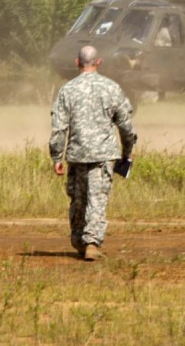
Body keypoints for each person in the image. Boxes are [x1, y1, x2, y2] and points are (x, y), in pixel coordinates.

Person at [48, 44, 138, 261]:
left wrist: (56, 157)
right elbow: (126, 127)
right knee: (97, 198)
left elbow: (59, 128)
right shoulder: (112, 88)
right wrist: (127, 153)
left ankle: (79, 240)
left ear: (77, 63)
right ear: (99, 62)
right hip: (103, 155)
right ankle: (91, 242)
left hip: (77, 153)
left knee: (79, 199)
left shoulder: (67, 90)